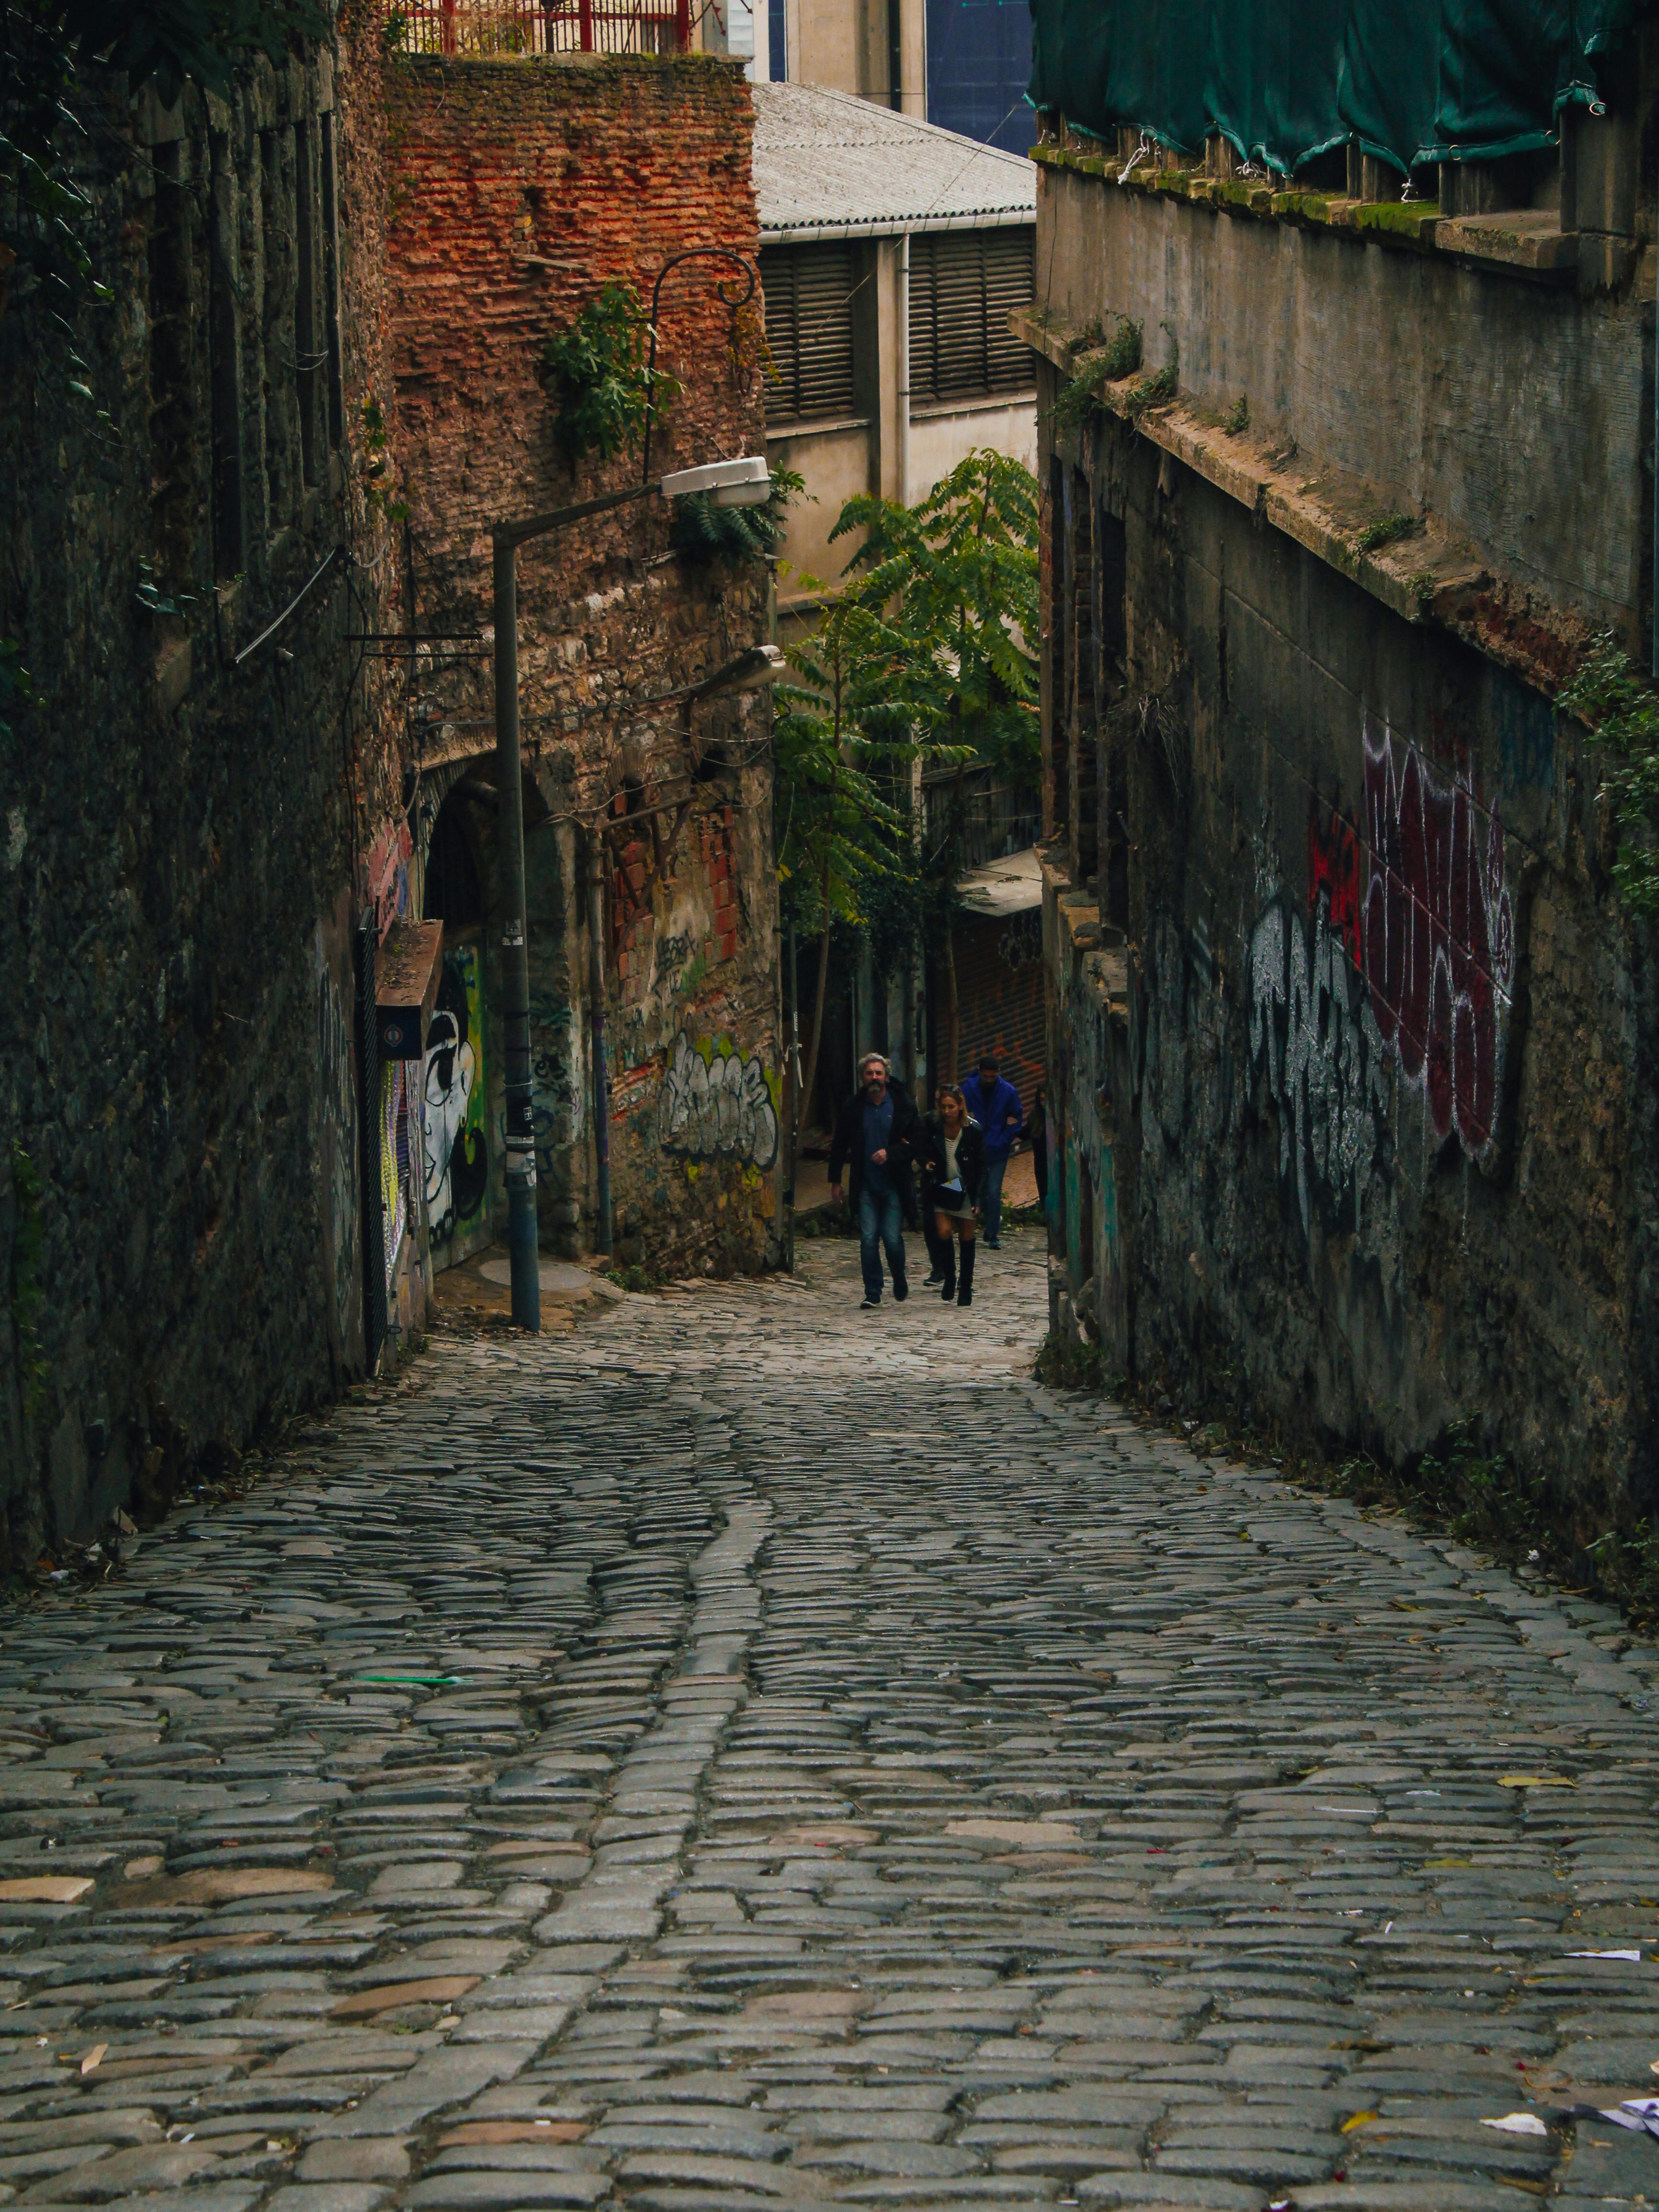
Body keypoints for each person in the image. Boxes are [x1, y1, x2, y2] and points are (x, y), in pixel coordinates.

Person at [828, 1053, 920, 1310]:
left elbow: (917, 1143)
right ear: (863, 1078)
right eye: (870, 1074)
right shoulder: (854, 1108)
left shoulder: (903, 1106)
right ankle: (873, 1291)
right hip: (866, 1184)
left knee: (892, 1238)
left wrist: (891, 1153)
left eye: (879, 1073)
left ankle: (899, 1277)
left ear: (887, 1077)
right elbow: (839, 1145)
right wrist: (835, 1180)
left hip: (894, 1184)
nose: (875, 1078)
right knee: (868, 1238)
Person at [917, 1083, 985, 1307]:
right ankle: (949, 1275)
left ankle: (966, 1285)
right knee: (944, 1232)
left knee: (967, 1237)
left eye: (951, 1107)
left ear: (960, 1106)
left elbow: (981, 1167)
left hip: (966, 1188)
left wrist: (978, 1199)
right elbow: (921, 1148)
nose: (947, 1111)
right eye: (943, 1107)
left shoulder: (973, 1130)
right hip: (942, 1186)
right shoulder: (932, 1125)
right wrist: (925, 1163)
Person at [963, 1051, 1023, 1248]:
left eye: (992, 1076)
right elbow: (962, 1115)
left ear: (998, 1073)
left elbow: (1016, 1119)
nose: (989, 1080)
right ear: (979, 1072)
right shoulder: (969, 1089)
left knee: (994, 1191)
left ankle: (992, 1233)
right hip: (975, 1149)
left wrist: (1004, 1140)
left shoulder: (1008, 1092)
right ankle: (975, 1228)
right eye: (986, 1076)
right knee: (975, 1190)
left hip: (997, 1150)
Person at [1028, 1082, 1049, 1208]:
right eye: (1042, 1100)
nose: (1044, 1103)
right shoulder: (1035, 1117)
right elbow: (1025, 1134)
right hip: (1041, 1164)